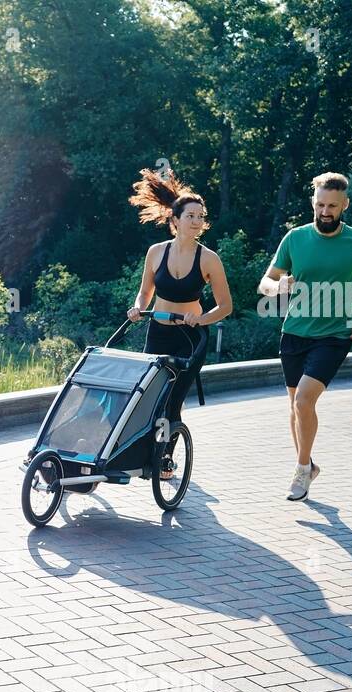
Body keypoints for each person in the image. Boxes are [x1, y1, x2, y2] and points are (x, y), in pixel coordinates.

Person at [258, 171, 352, 501]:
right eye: (320, 205)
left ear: (344, 204)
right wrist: (278, 287)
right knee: (295, 408)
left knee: (303, 401)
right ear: (312, 203)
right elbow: (265, 282)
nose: (325, 211)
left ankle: (302, 470)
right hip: (294, 332)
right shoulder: (294, 238)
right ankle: (309, 465)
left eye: (332, 205)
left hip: (334, 335)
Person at [126, 168, 233, 476]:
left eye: (201, 216)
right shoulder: (155, 253)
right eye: (191, 216)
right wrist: (137, 309)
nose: (198, 221)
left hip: (191, 336)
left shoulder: (209, 258)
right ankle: (141, 449)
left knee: (173, 400)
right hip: (158, 330)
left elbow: (225, 306)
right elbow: (145, 292)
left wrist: (201, 318)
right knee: (147, 394)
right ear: (175, 221)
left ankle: (166, 459)